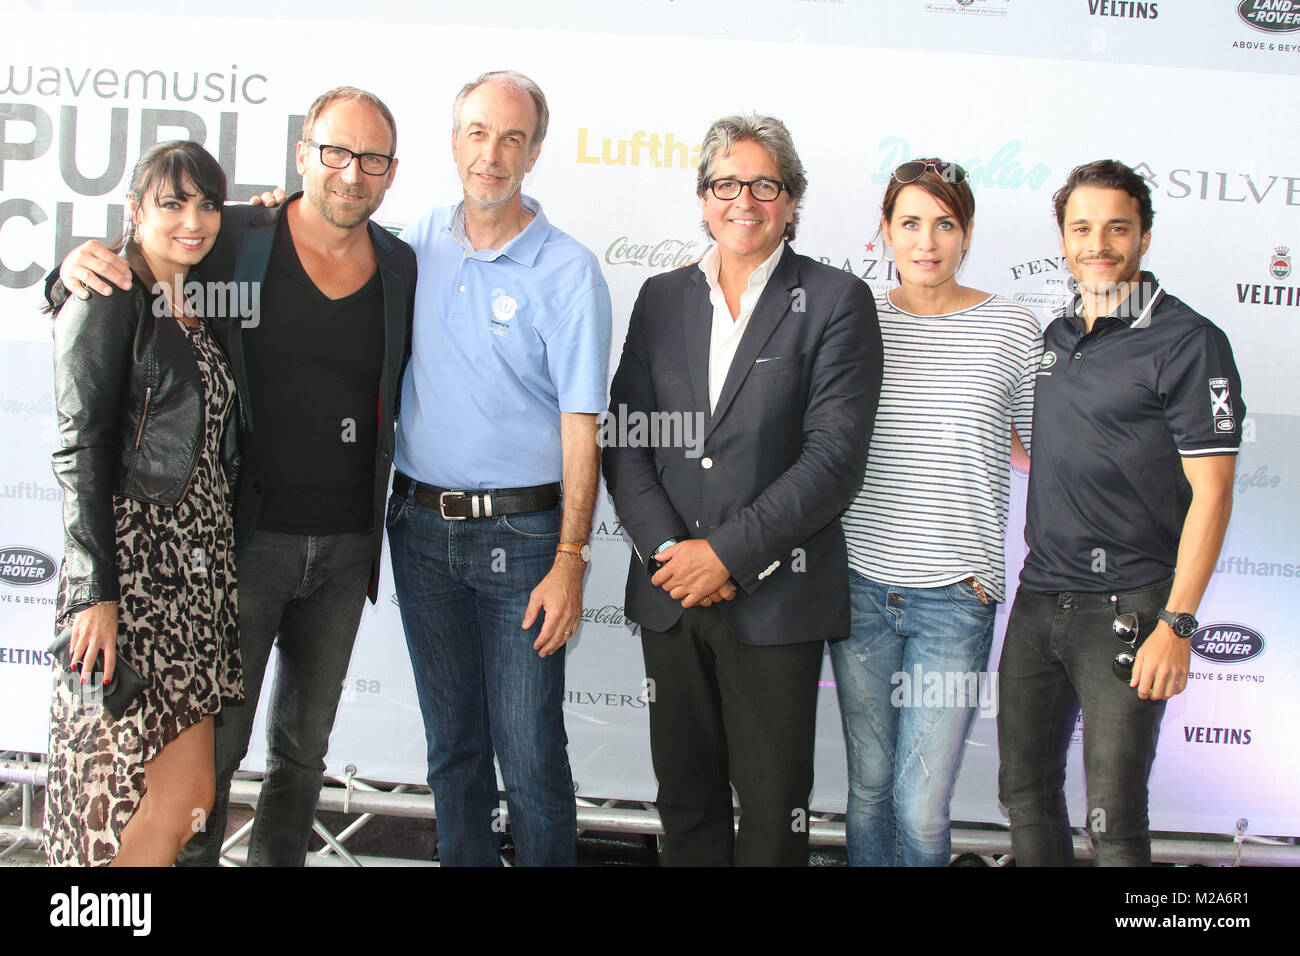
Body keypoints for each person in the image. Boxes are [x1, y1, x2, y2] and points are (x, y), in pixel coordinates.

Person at [53, 88, 416, 866]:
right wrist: (68, 269)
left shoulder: (399, 264)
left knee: (301, 757)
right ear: (302, 155)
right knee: (205, 763)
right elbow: (136, 272)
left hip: (347, 544)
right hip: (234, 548)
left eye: (372, 159)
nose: (352, 172)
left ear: (391, 172)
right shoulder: (238, 234)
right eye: (336, 152)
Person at [603, 114, 882, 866]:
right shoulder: (662, 299)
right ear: (703, 198)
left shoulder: (834, 301)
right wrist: (671, 552)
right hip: (669, 595)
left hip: (776, 599)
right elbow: (628, 439)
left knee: (772, 812)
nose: (745, 201)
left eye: (766, 184)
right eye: (727, 183)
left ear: (792, 201)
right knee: (685, 802)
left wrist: (723, 556)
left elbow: (832, 463)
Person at [385, 71, 611, 866]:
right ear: (453, 142)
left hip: (523, 541)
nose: (492, 154)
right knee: (452, 751)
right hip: (417, 530)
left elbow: (583, 431)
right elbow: (321, 235)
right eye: (478, 133)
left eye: (512, 138)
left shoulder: (570, 271)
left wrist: (570, 562)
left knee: (532, 762)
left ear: (535, 152)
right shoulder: (413, 243)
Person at [997, 159, 1242, 866]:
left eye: (1116, 228)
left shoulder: (1189, 341)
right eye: (1081, 228)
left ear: (1144, 236)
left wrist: (1178, 624)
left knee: (1114, 821)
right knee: (1025, 795)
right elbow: (1054, 452)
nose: (1097, 243)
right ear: (1063, 238)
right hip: (1039, 598)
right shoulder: (1057, 336)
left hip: (1131, 608)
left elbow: (1215, 494)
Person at [831, 159, 1043, 867]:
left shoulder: (1013, 328)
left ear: (968, 232)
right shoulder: (852, 318)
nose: (927, 242)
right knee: (868, 787)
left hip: (957, 596)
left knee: (921, 808)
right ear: (885, 232)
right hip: (859, 587)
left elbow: (1041, 448)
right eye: (911, 223)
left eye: (945, 224)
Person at [46, 141, 241, 866]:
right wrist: (97, 593)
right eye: (172, 202)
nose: (193, 219)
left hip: (194, 591)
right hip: (133, 582)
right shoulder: (107, 292)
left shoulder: (192, 303)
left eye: (207, 204)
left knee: (182, 801)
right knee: (136, 795)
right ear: (133, 210)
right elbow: (80, 448)